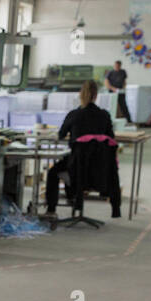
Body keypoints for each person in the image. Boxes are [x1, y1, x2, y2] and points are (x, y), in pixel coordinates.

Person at [44, 79, 120, 218]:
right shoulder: (104, 115)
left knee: (53, 172)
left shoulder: (74, 115)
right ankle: (73, 198)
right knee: (71, 163)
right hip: (99, 169)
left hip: (77, 167)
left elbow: (61, 135)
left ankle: (51, 209)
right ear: (96, 95)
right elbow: (110, 139)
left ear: (80, 95)